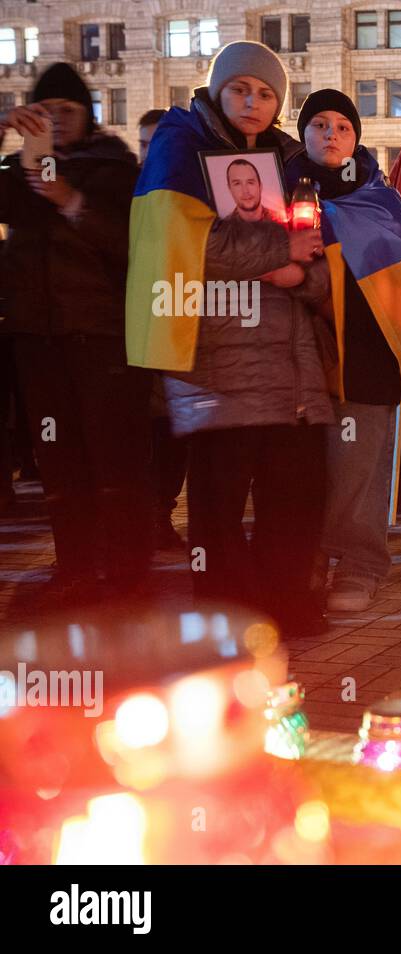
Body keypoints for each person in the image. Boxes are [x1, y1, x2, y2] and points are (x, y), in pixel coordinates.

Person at [125, 40, 332, 637]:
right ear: (217, 89)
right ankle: (228, 624)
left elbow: (316, 248)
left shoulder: (292, 163)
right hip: (218, 364)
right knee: (218, 509)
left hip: (292, 368)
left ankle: (285, 610)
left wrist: (301, 273)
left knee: (293, 500)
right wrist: (278, 253)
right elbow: (183, 243)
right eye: (241, 88)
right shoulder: (181, 147)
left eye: (267, 93)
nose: (253, 101)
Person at [285, 89, 401, 613]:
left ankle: (359, 563)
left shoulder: (380, 201)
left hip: (366, 356)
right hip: (293, 356)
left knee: (359, 465)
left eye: (342, 127)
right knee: (301, 467)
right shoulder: (272, 191)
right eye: (319, 125)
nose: (331, 135)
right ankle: (306, 558)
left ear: (355, 139)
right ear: (303, 133)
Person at [0, 62, 152, 606]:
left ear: (88, 116)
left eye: (67, 111)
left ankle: (128, 572)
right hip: (38, 339)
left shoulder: (116, 169)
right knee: (58, 463)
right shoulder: (19, 172)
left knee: (114, 459)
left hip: (101, 337)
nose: (57, 122)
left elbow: (131, 247)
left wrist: (67, 198)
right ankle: (77, 567)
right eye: (45, 112)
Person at [138, 108, 189, 549]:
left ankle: (159, 513)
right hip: (129, 336)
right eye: (145, 144)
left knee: (171, 432)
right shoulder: (129, 192)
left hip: (177, 330)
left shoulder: (184, 192)